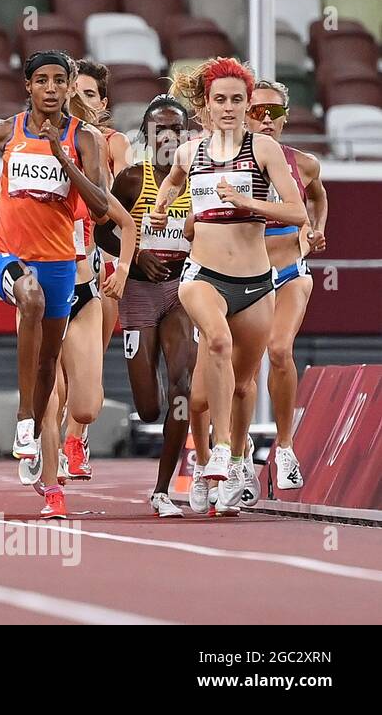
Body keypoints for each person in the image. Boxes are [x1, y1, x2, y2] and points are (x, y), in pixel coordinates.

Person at [0, 51, 127, 519]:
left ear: (70, 86)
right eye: (41, 81)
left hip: (62, 267)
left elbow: (97, 207)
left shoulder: (84, 138)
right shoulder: (6, 130)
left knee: (54, 370)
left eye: (58, 80)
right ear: (28, 86)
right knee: (27, 299)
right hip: (9, 256)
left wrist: (61, 156)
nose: (50, 89)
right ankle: (25, 422)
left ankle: (53, 489)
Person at [149, 58, 307, 515]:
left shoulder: (263, 151)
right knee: (215, 341)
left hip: (257, 283)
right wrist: (161, 210)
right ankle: (215, 452)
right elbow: (173, 182)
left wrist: (247, 201)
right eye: (220, 99)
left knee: (239, 385)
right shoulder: (188, 151)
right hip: (202, 276)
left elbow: (298, 214)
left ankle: (234, 459)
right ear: (206, 104)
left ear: (248, 104)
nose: (230, 107)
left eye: (238, 100)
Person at [96, 95, 197, 517]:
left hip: (180, 290)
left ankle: (162, 489)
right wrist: (136, 256)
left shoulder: (199, 181)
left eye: (176, 129)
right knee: (149, 407)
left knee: (183, 386)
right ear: (147, 135)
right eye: (160, 130)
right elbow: (102, 233)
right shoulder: (134, 181)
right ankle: (155, 407)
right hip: (138, 294)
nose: (168, 137)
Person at [225, 80, 324, 505]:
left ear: (286, 116)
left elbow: (317, 198)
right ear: (245, 113)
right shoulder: (226, 160)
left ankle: (284, 448)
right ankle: (239, 454)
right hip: (246, 275)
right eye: (258, 111)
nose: (266, 120)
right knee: (240, 376)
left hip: (289, 270)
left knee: (281, 351)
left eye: (274, 113)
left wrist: (316, 230)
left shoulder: (304, 164)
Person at [65, 60, 134, 470]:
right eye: (76, 93)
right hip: (55, 258)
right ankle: (51, 441)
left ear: (103, 103)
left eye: (89, 94)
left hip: (101, 261)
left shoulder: (110, 141)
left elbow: (129, 188)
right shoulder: (47, 138)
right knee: (53, 365)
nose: (80, 100)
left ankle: (76, 437)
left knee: (89, 361)